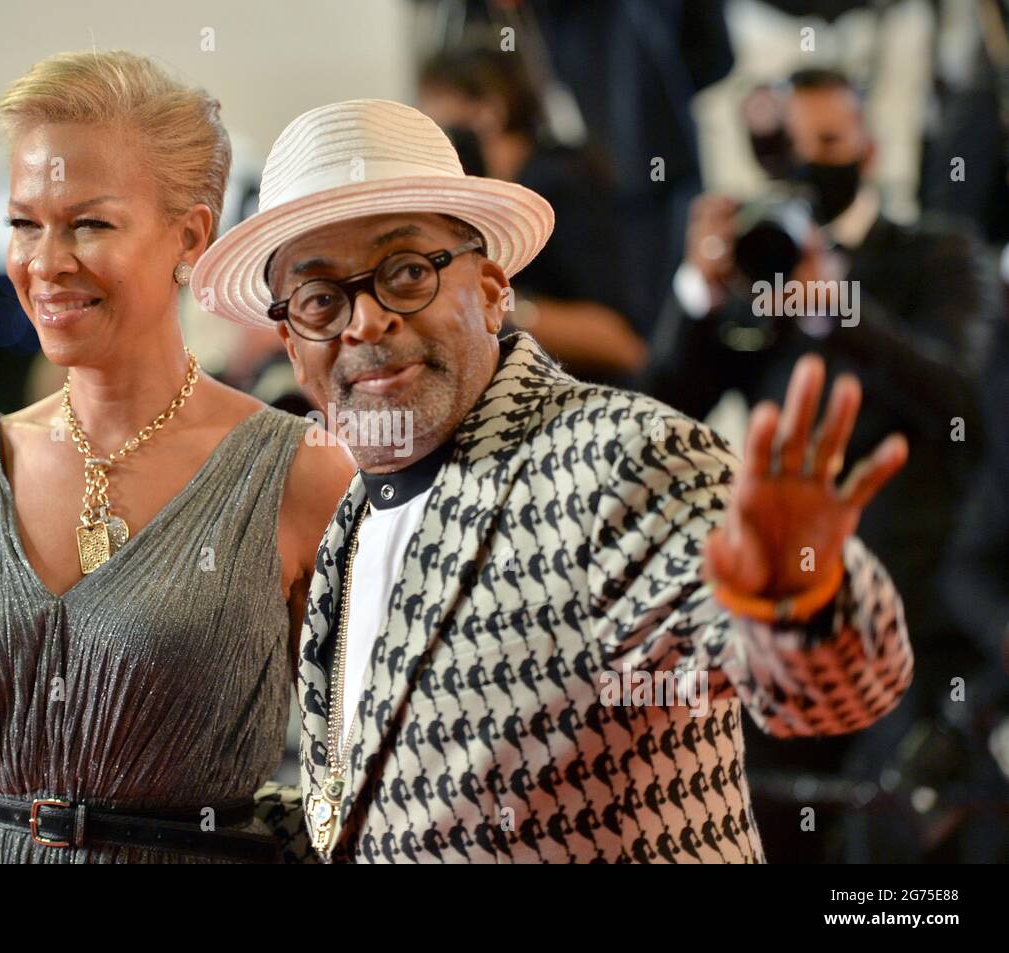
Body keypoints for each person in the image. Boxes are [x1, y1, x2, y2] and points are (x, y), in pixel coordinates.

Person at [191, 99, 913, 863]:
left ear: (495, 288)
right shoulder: (350, 521)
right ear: (290, 342)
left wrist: (795, 597)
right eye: (319, 298)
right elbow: (375, 813)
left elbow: (822, 688)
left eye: (406, 272)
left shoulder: (621, 456)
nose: (365, 321)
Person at [0, 50, 353, 864]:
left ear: (191, 234)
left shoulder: (301, 472)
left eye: (89, 223)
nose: (45, 263)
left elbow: (360, 784)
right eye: (23, 222)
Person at [643, 67, 1000, 859]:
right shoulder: (755, 271)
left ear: (869, 148)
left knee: (900, 860)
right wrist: (697, 297)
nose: (810, 163)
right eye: (791, 148)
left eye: (829, 142)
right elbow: (665, 417)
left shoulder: (939, 255)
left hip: (922, 622)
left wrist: (838, 310)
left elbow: (962, 401)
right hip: (782, 624)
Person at [417, 43, 646, 380]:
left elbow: (623, 344)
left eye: (440, 128)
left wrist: (497, 302)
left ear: (491, 110)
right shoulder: (505, 192)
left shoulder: (561, 184)